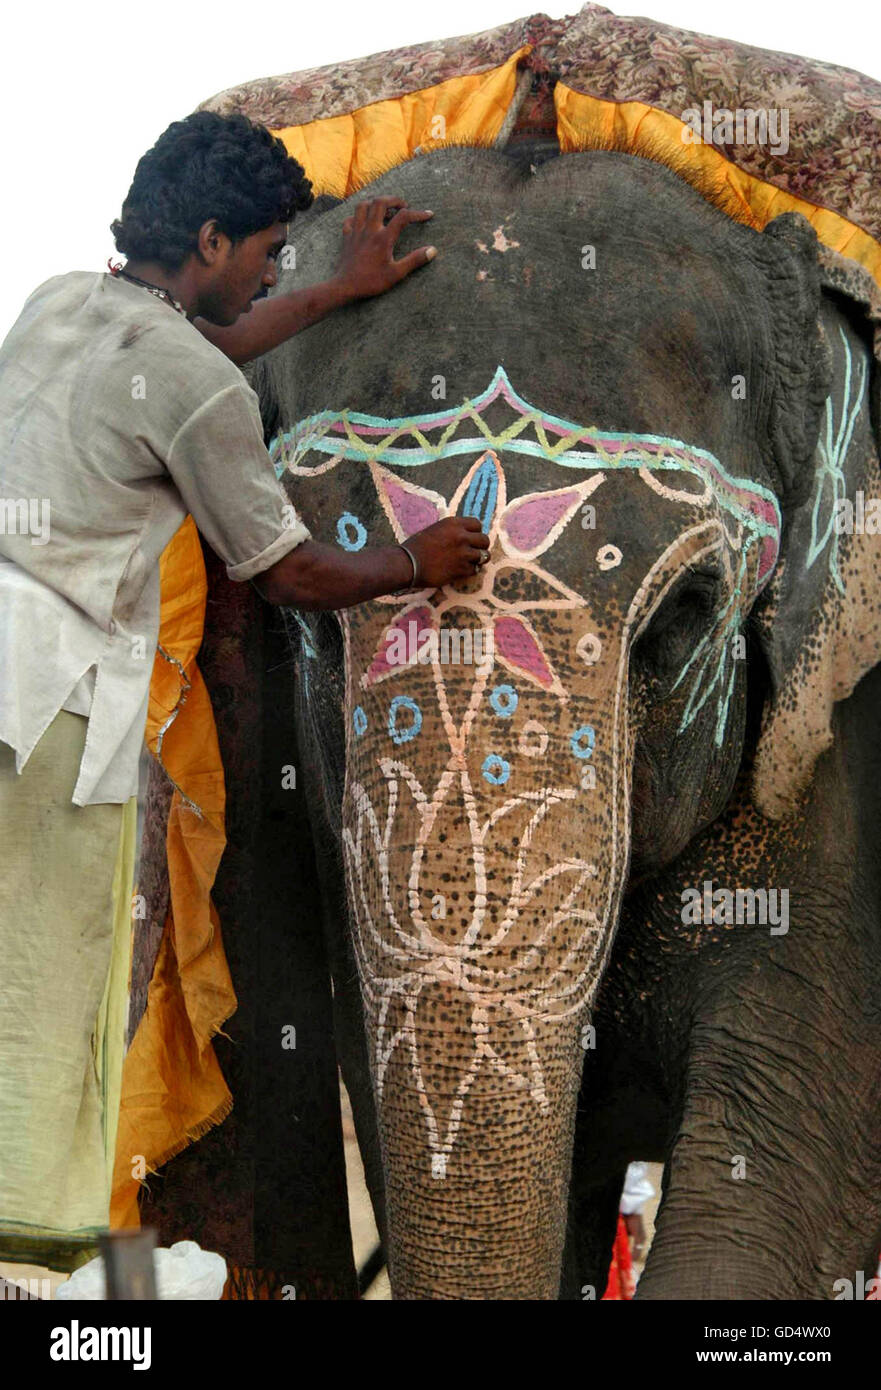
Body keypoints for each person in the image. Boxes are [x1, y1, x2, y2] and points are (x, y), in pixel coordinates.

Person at [0, 110, 489, 1271]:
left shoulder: (60, 304)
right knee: (49, 970)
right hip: (57, 707)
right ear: (212, 240)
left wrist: (333, 291)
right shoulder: (194, 385)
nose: (279, 268)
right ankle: (31, 1240)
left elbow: (193, 357)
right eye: (270, 250)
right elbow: (290, 569)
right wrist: (411, 565)